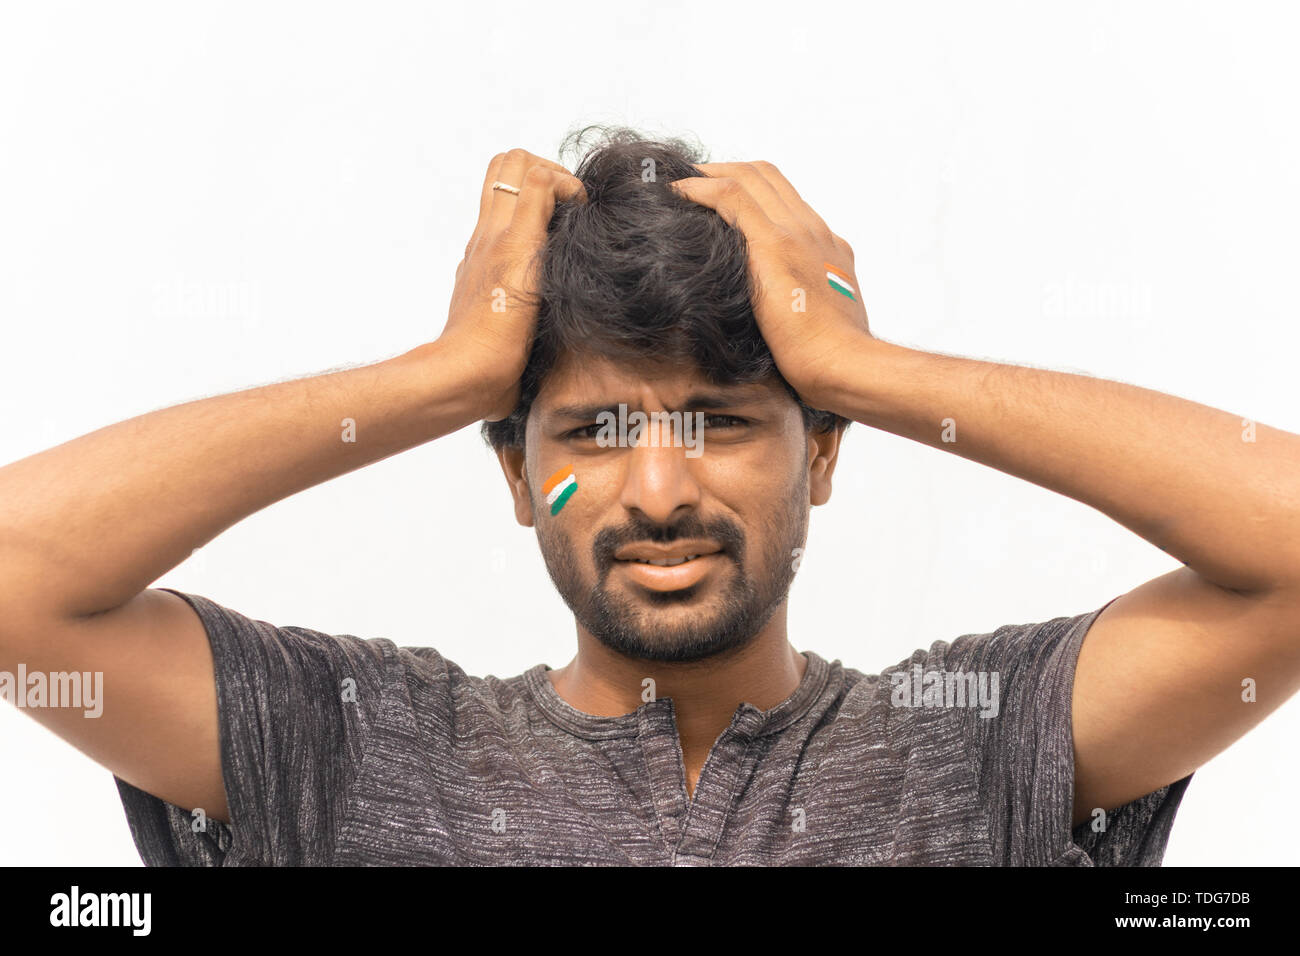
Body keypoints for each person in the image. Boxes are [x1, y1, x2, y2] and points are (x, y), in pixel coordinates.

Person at [3, 127, 1296, 865]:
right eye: (596, 433)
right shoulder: (349, 746)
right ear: (517, 474)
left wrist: (861, 364)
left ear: (826, 456)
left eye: (725, 423)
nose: (661, 488)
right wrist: (444, 375)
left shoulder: (979, 743)